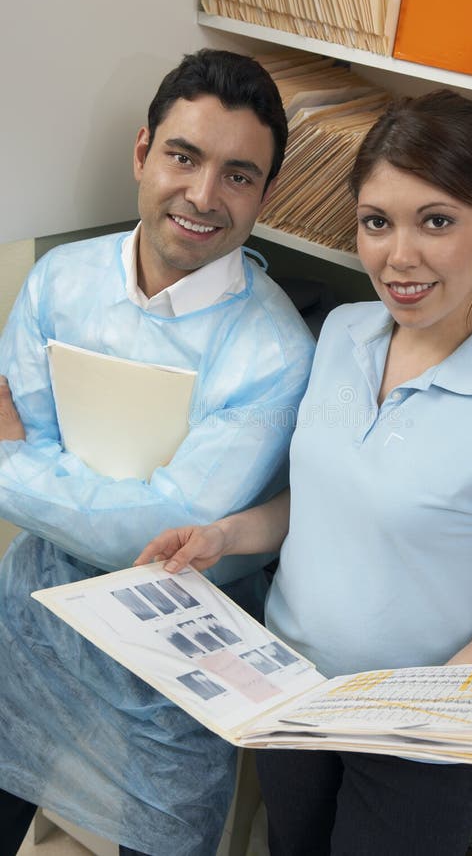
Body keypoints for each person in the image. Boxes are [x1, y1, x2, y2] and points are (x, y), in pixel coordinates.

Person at [136, 89, 472, 856]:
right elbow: (316, 501)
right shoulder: (346, 331)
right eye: (377, 221)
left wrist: (391, 716)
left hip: (416, 745)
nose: (398, 255)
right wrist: (226, 533)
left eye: (436, 221)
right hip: (290, 689)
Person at [0, 49, 314, 856]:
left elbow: (165, 530)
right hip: (31, 631)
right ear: (143, 153)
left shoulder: (276, 349)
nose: (205, 196)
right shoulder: (59, 282)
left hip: (172, 673)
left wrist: (16, 470)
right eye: (184, 156)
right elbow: (96, 491)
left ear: (265, 194)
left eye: (239, 175)